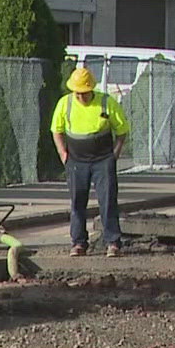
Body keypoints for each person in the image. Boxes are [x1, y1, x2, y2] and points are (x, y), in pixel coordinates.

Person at [51, 66, 131, 257]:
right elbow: (57, 130)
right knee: (78, 201)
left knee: (107, 200)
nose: (81, 97)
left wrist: (114, 155)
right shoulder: (65, 104)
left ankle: (112, 242)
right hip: (76, 161)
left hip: (102, 159)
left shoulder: (106, 102)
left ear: (91, 89)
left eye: (85, 93)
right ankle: (78, 242)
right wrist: (63, 154)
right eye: (78, 93)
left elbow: (121, 131)